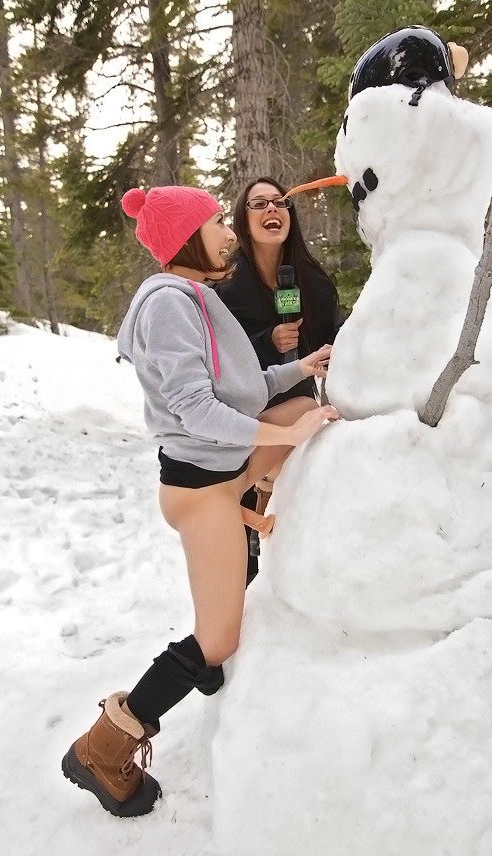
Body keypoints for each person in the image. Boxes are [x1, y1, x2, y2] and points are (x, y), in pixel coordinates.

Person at [61, 185, 338, 818]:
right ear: (185, 236)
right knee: (218, 636)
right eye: (216, 220)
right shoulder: (167, 303)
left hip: (223, 473)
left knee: (306, 407)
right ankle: (105, 746)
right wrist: (285, 434)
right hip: (201, 490)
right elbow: (196, 408)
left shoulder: (195, 298)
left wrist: (303, 368)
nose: (229, 230)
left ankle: (246, 539)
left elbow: (243, 391)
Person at [215, 176, 342, 582]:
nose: (272, 209)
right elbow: (216, 359)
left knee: (289, 535)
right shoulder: (226, 285)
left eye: (279, 202)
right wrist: (267, 343)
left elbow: (337, 337)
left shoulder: (312, 281)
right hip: (245, 421)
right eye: (259, 204)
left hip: (297, 420)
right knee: (239, 562)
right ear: (243, 219)